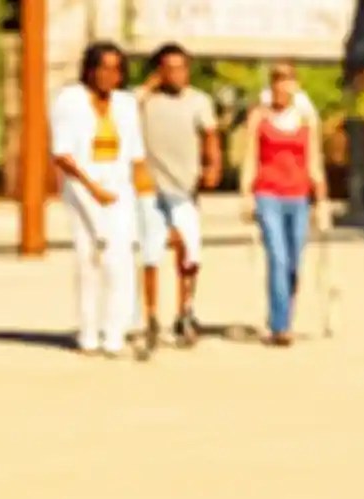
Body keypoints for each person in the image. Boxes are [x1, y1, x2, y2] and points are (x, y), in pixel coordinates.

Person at [50, 42, 151, 358]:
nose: (109, 75)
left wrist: (143, 193)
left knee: (118, 260)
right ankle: (89, 332)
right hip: (83, 186)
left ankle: (115, 332)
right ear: (90, 70)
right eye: (102, 67)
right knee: (88, 260)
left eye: (116, 69)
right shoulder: (70, 100)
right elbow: (63, 154)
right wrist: (92, 189)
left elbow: (135, 152)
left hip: (118, 187)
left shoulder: (126, 103)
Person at [134, 43, 223, 351]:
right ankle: (150, 316)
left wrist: (213, 166)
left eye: (182, 67)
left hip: (185, 188)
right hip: (151, 188)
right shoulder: (144, 100)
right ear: (159, 71)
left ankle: (185, 310)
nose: (177, 74)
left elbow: (210, 136)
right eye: (169, 68)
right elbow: (124, 112)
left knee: (190, 252)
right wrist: (148, 87)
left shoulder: (199, 101)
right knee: (151, 254)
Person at [239, 62, 330, 347]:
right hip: (269, 193)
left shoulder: (305, 120)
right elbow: (250, 155)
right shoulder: (260, 117)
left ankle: (282, 311)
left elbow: (314, 159)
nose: (282, 86)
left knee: (293, 262)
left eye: (287, 80)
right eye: (277, 81)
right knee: (277, 257)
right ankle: (281, 325)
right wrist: (246, 194)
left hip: (298, 194)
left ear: (295, 85)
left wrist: (322, 199)